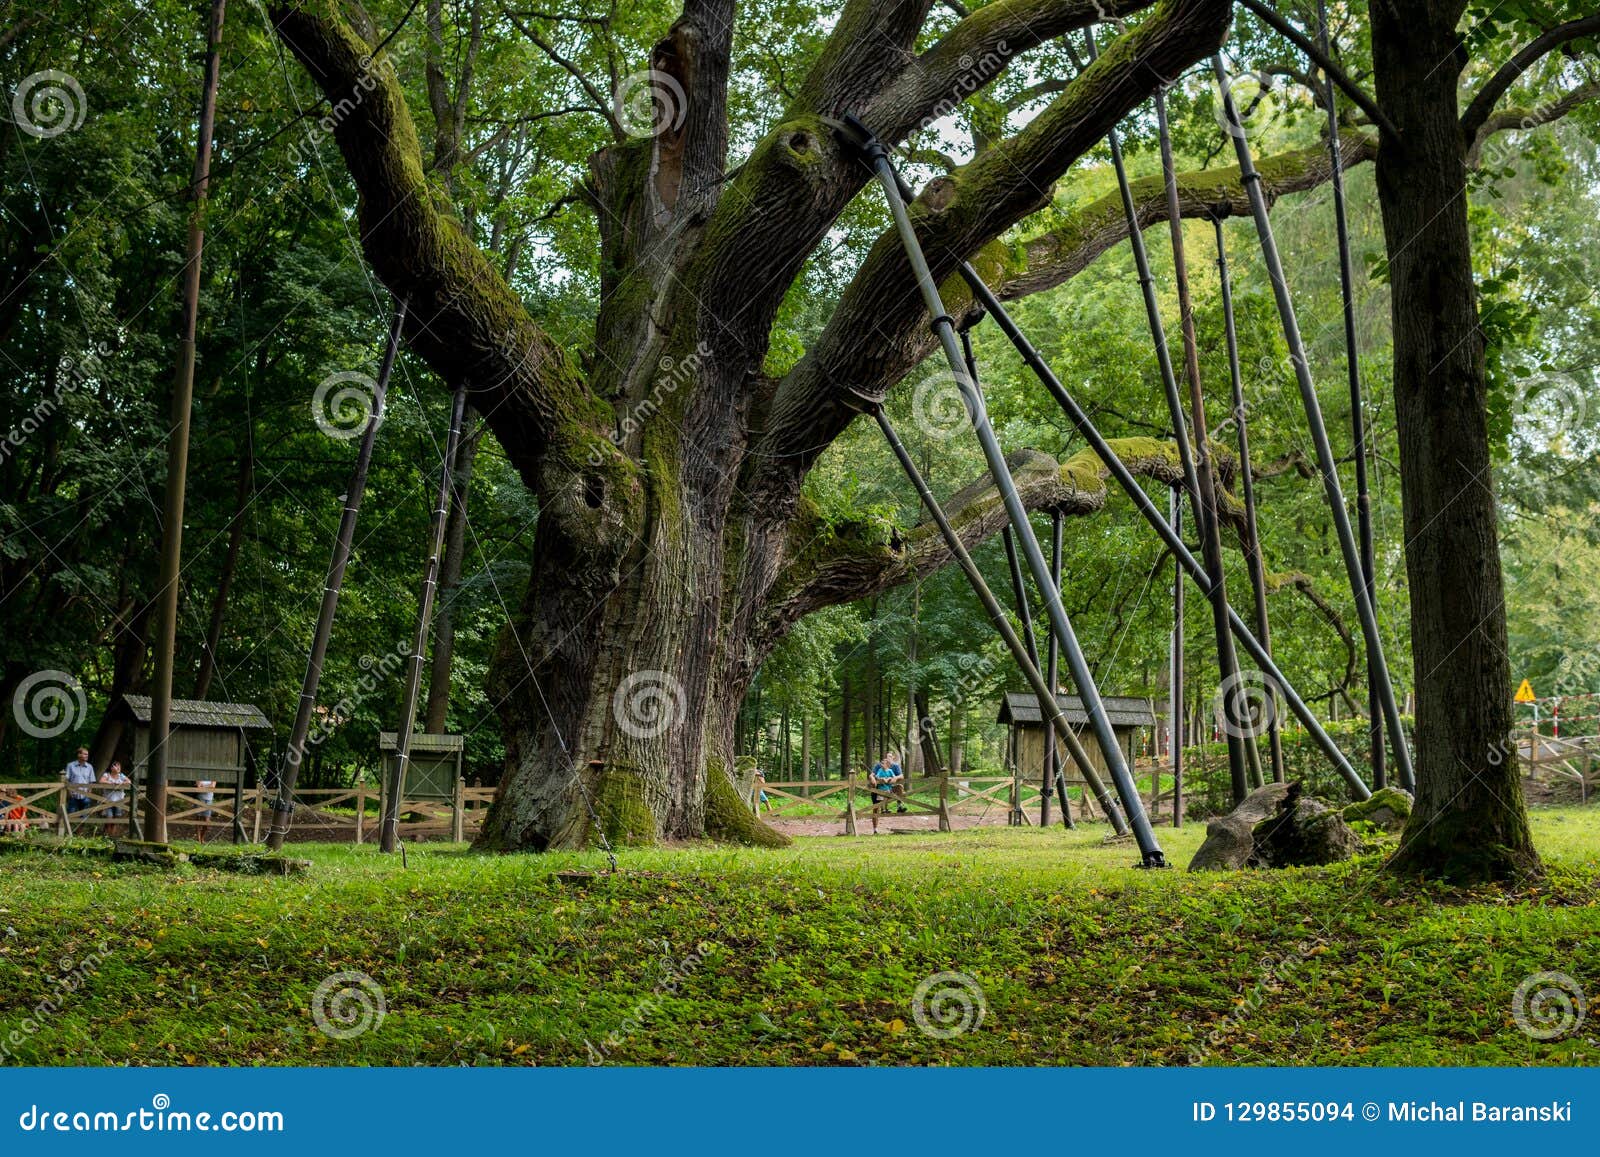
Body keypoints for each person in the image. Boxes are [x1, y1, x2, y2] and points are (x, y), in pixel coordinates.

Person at [868, 751, 906, 833]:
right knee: (875, 808)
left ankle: (899, 806)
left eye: (890, 757)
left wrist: (895, 778)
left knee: (900, 787)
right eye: (887, 757)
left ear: (893, 758)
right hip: (878, 789)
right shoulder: (879, 765)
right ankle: (875, 829)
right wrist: (873, 779)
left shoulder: (895, 766)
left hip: (891, 789)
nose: (888, 759)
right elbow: (872, 775)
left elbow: (901, 776)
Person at [99, 760, 130, 837]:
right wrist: (111, 783)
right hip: (108, 801)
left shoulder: (121, 775)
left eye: (119, 766)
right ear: (112, 767)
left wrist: (121, 783)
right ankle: (107, 836)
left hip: (119, 801)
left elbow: (129, 781)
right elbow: (101, 781)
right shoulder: (107, 775)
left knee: (115, 819)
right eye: (116, 766)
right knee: (109, 818)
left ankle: (112, 836)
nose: (119, 768)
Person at [61, 748, 95, 816]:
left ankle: (81, 827)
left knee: (83, 817)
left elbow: (91, 781)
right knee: (70, 815)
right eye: (85, 754)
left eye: (87, 754)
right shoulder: (70, 765)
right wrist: (69, 792)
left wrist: (88, 793)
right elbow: (66, 779)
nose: (87, 756)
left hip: (85, 795)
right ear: (79, 755)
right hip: (73, 795)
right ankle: (68, 827)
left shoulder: (89, 767)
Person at [195, 779, 216, 843]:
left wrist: (203, 786)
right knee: (198, 819)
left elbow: (213, 786)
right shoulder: (199, 776)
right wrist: (208, 786)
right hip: (200, 799)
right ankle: (198, 839)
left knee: (207, 822)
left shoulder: (213, 777)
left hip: (209, 800)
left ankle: (202, 837)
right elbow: (198, 787)